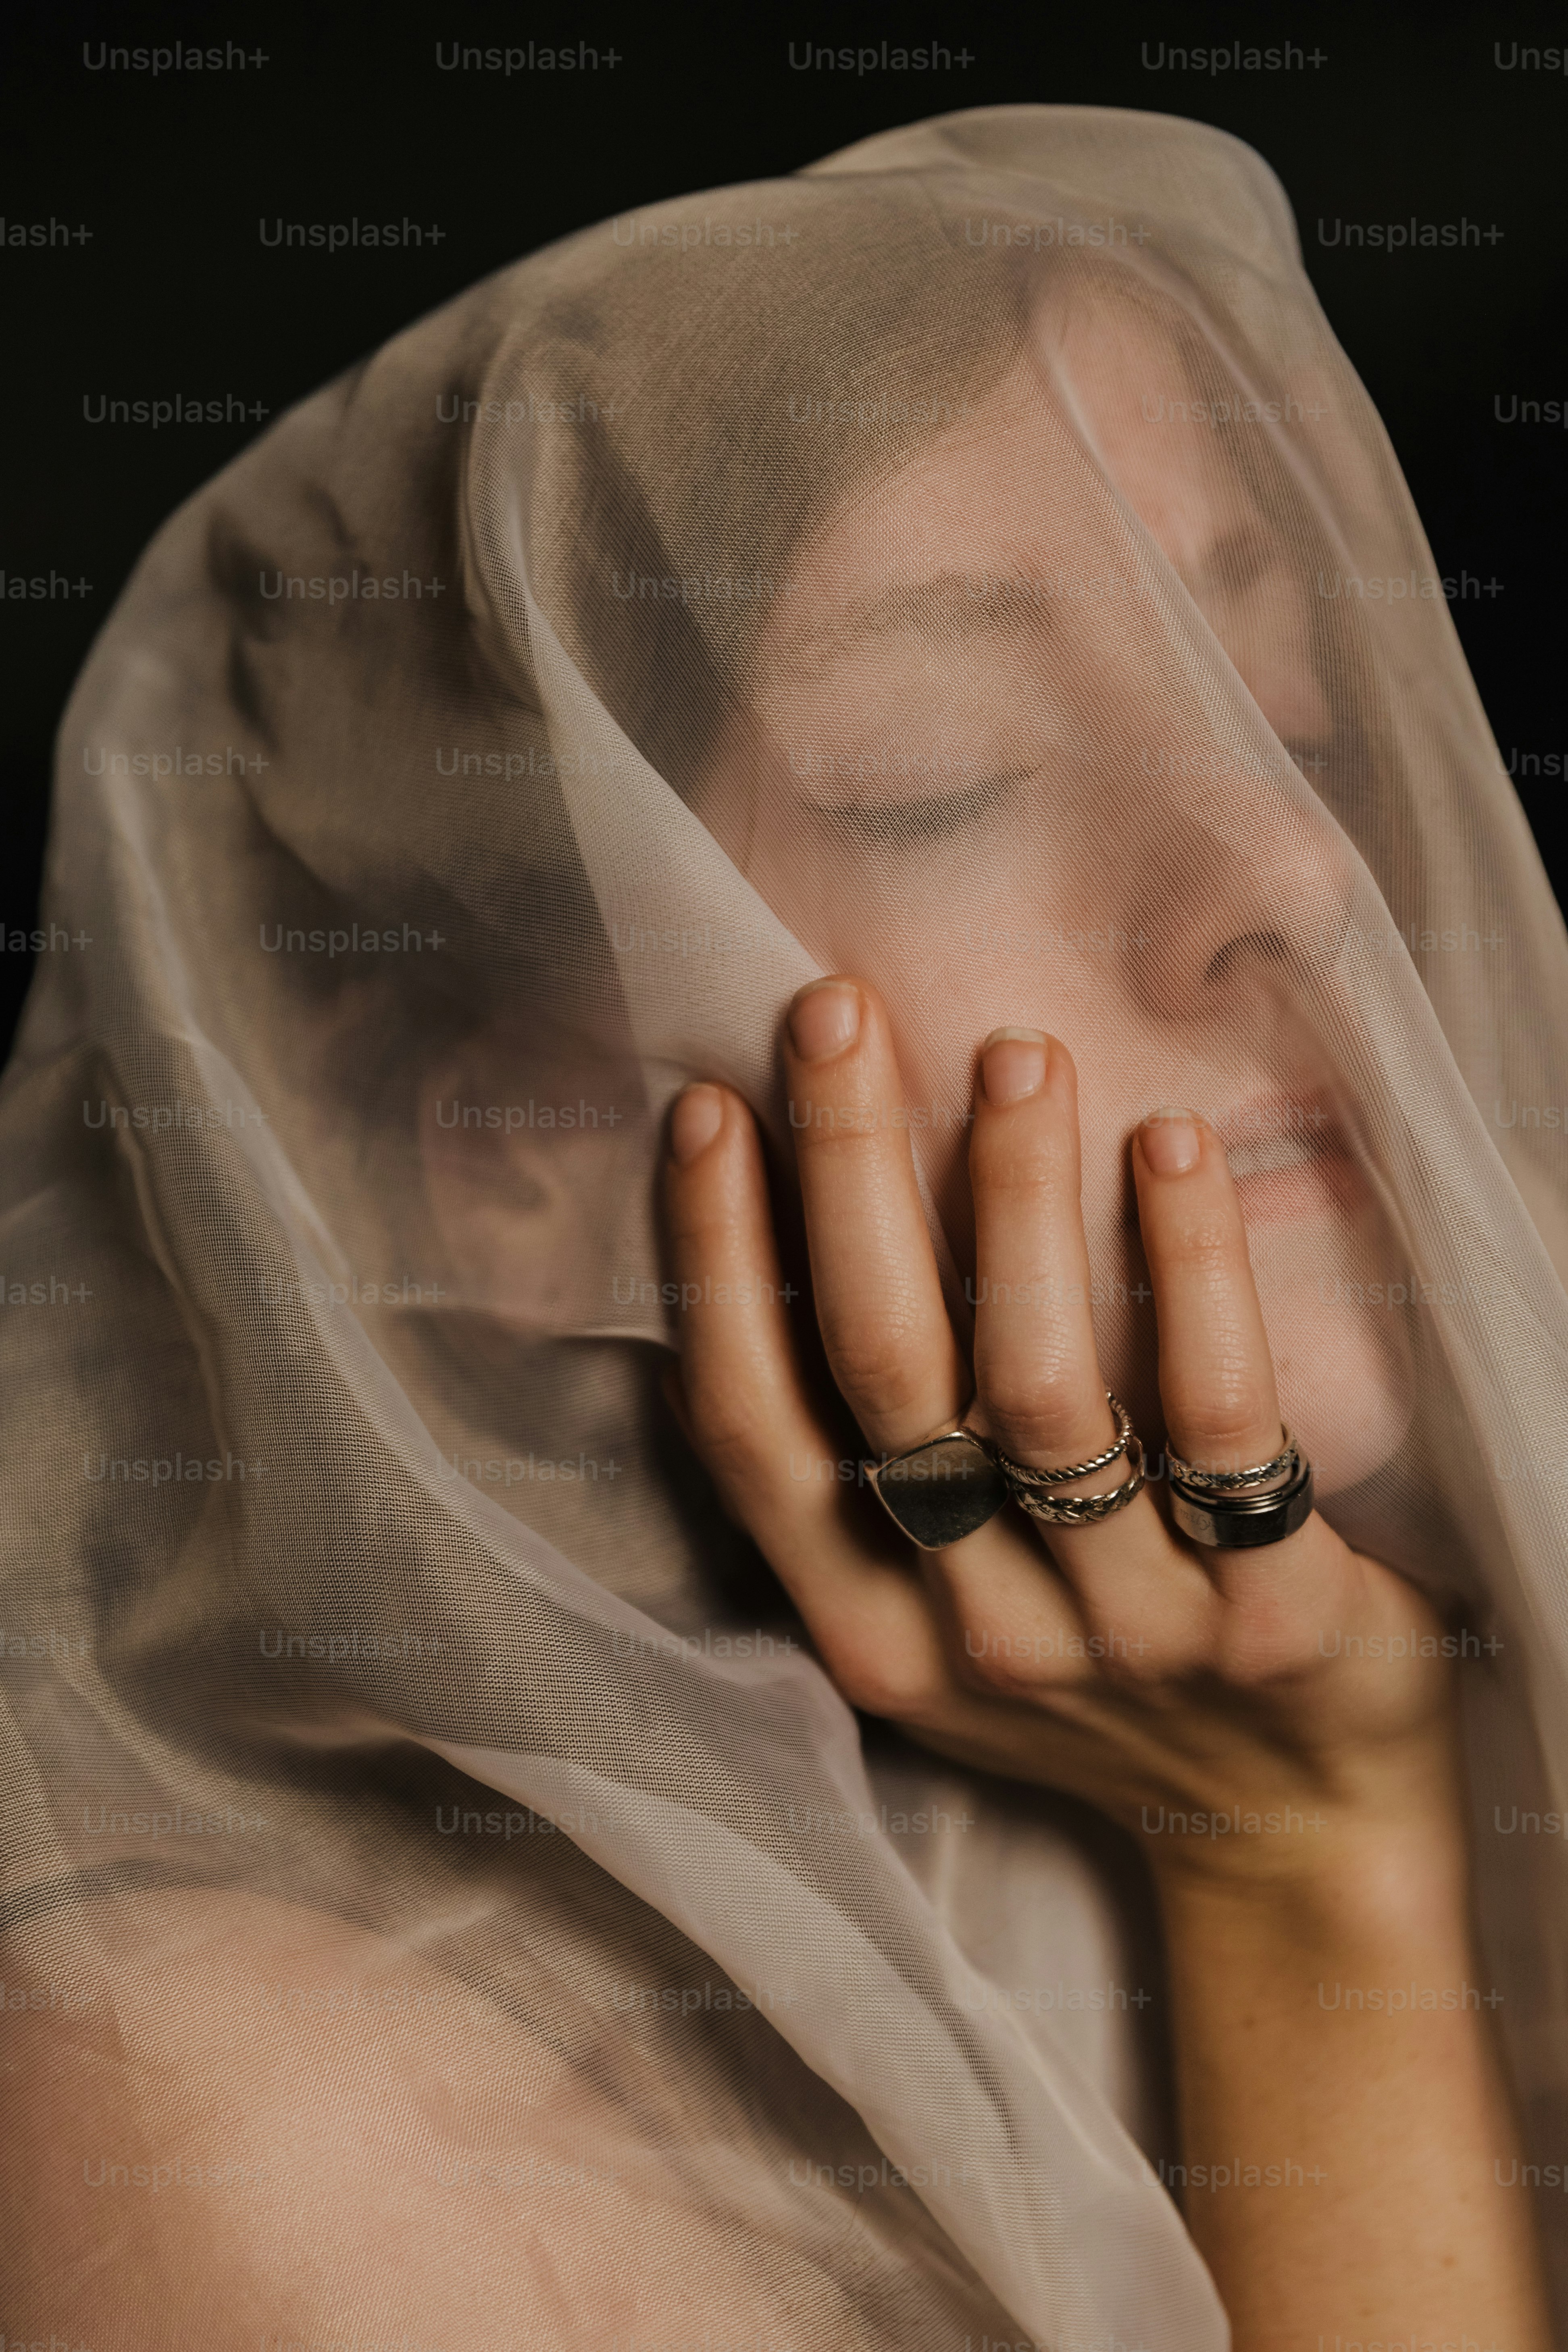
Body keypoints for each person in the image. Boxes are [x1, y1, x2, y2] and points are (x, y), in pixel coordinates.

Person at [2, 105, 1564, 2352]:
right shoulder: (279, 2131)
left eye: (1282, 709)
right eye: (932, 773)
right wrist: (1312, 1882)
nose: (1294, 871)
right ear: (515, 1164)